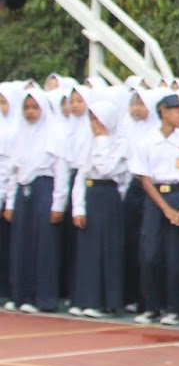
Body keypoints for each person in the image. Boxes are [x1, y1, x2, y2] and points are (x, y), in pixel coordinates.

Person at [130, 94, 179, 325]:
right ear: (163, 111)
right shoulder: (147, 141)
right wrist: (165, 209)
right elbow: (145, 179)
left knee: (175, 256)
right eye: (177, 111)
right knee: (149, 254)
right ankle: (151, 306)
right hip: (155, 198)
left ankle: (175, 307)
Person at [3, 87, 69, 313]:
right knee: (21, 244)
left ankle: (44, 297)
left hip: (44, 189)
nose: (30, 113)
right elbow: (14, 171)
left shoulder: (54, 133)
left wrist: (58, 203)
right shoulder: (20, 133)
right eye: (26, 108)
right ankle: (21, 294)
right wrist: (11, 203)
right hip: (23, 190)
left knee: (44, 246)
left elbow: (61, 171)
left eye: (35, 108)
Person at [68, 90, 130, 318]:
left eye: (99, 120)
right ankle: (86, 299)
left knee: (109, 249)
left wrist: (103, 138)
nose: (95, 125)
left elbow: (107, 169)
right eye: (92, 120)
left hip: (109, 197)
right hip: (92, 196)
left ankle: (107, 301)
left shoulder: (120, 143)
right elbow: (81, 176)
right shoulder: (89, 142)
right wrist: (78, 208)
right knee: (88, 250)